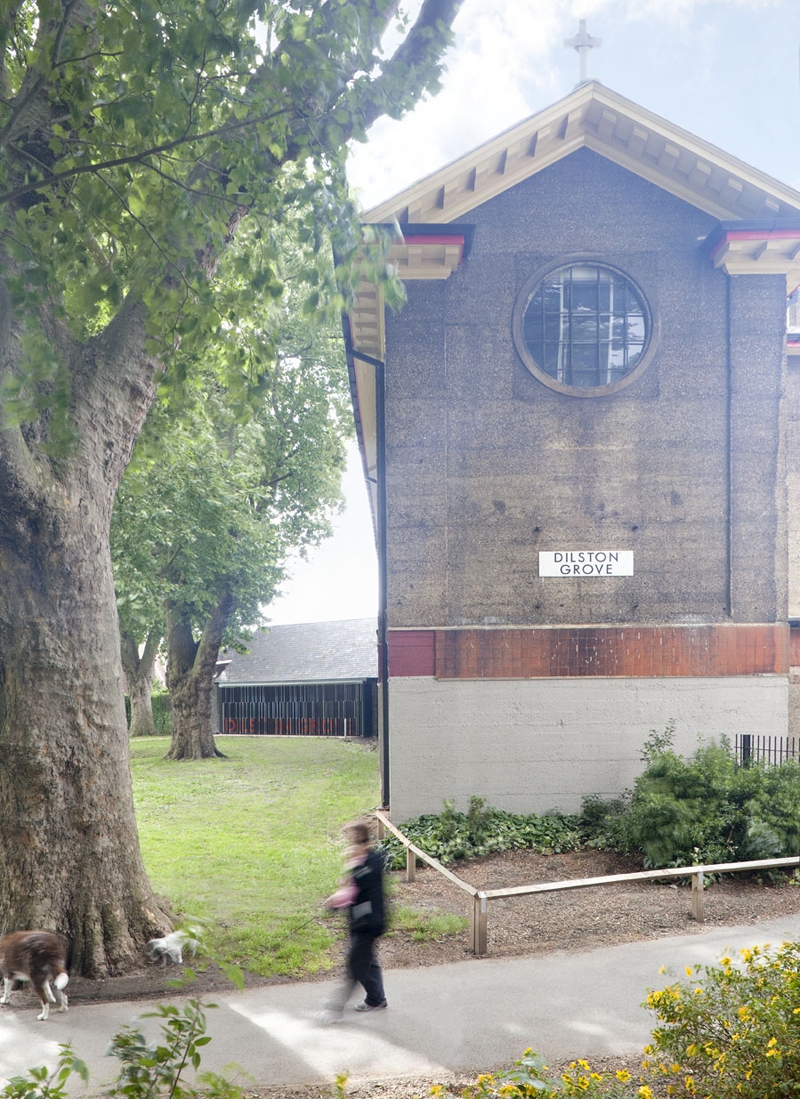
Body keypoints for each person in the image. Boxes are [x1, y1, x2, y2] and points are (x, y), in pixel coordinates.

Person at [321, 820, 388, 1019]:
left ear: (365, 843)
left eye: (354, 842)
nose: (350, 847)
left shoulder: (370, 865)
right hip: (361, 923)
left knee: (355, 964)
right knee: (368, 960)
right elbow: (353, 888)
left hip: (369, 923)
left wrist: (334, 901)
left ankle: (334, 1009)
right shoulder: (364, 862)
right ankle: (376, 998)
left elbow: (356, 887)